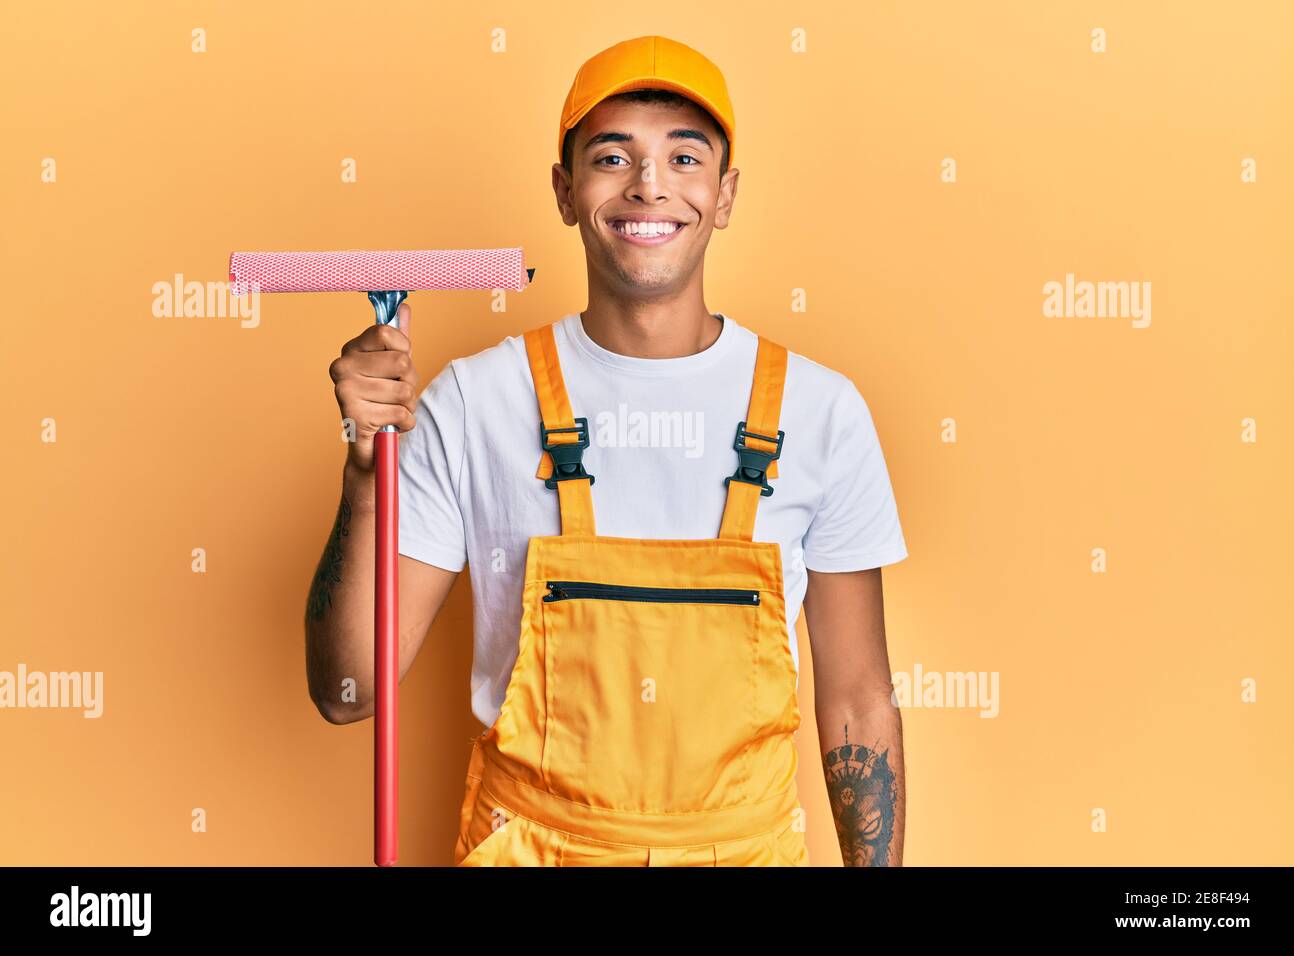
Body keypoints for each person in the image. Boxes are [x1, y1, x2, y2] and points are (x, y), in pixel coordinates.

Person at [305, 35, 908, 867]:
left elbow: (857, 698)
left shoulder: (821, 413)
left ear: (725, 194)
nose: (649, 185)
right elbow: (349, 693)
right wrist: (367, 480)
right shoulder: (473, 403)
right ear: (564, 190)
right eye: (613, 155)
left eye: (684, 157)